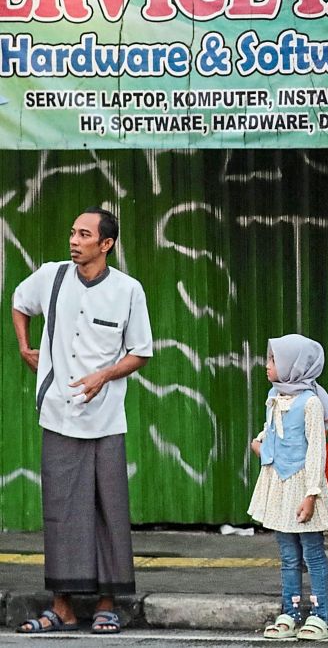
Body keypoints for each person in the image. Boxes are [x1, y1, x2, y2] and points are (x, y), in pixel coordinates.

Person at [11, 207, 153, 636]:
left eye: (84, 234)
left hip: (106, 419)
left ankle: (108, 605)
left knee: (108, 511)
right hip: (57, 412)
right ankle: (62, 607)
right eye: (72, 232)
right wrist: (24, 346)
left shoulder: (128, 290)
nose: (74, 240)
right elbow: (19, 302)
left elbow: (140, 351)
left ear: (106, 244)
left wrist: (105, 374)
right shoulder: (52, 277)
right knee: (60, 512)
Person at [248, 335, 328, 641]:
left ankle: (320, 615)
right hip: (279, 483)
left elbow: (316, 450)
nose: (267, 365)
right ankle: (290, 611)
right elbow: (272, 430)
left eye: (273, 360)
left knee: (312, 552)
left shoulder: (310, 403)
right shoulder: (274, 396)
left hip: (302, 484)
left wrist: (312, 493)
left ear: (292, 365)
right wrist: (261, 442)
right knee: (287, 554)